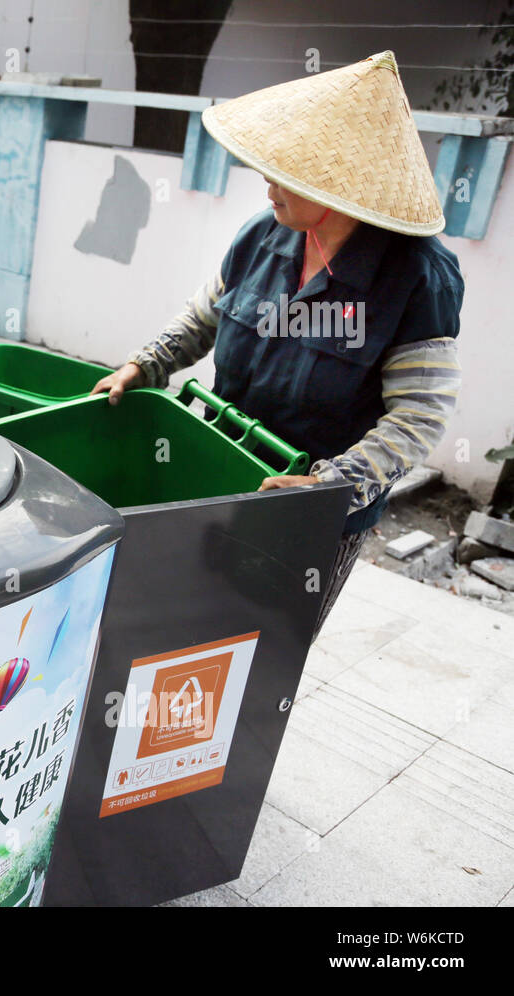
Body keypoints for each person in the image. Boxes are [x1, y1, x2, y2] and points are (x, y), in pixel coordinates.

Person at [91, 52, 463, 638]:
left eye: (285, 171)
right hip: (221, 477)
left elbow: (421, 415)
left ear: (338, 185)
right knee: (188, 635)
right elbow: (203, 316)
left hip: (309, 521)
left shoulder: (418, 279)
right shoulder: (262, 236)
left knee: (265, 656)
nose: (266, 181)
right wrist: (144, 365)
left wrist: (330, 484)